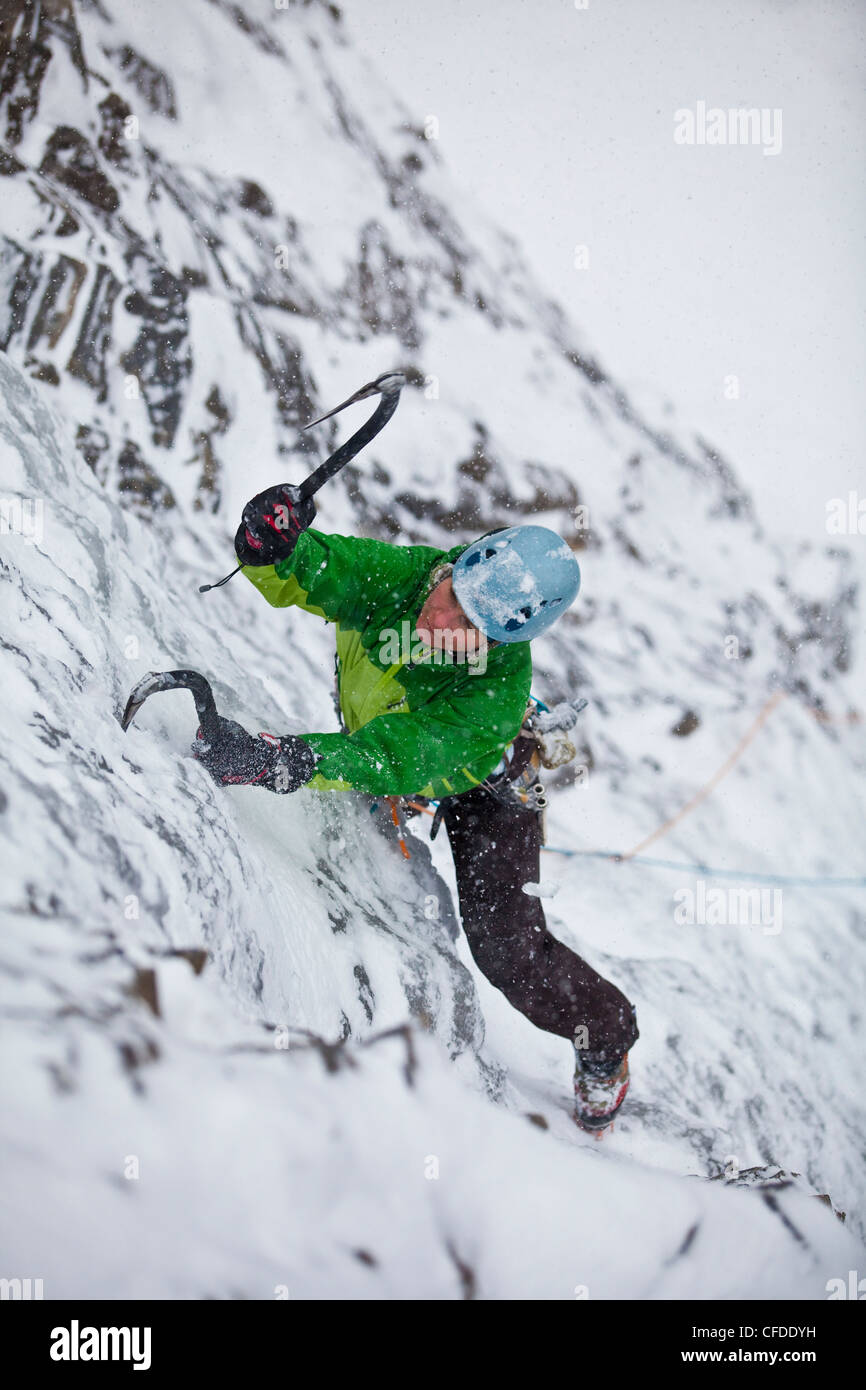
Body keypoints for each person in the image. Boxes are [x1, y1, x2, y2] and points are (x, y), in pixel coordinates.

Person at [192, 481, 639, 1130]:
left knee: (507, 949)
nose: (441, 622)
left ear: (504, 641)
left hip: (487, 782)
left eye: (470, 629)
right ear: (456, 567)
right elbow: (323, 572)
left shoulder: (494, 695)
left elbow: (400, 755)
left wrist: (285, 758)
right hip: (400, 735)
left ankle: (606, 1036)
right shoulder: (410, 575)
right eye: (452, 597)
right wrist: (271, 548)